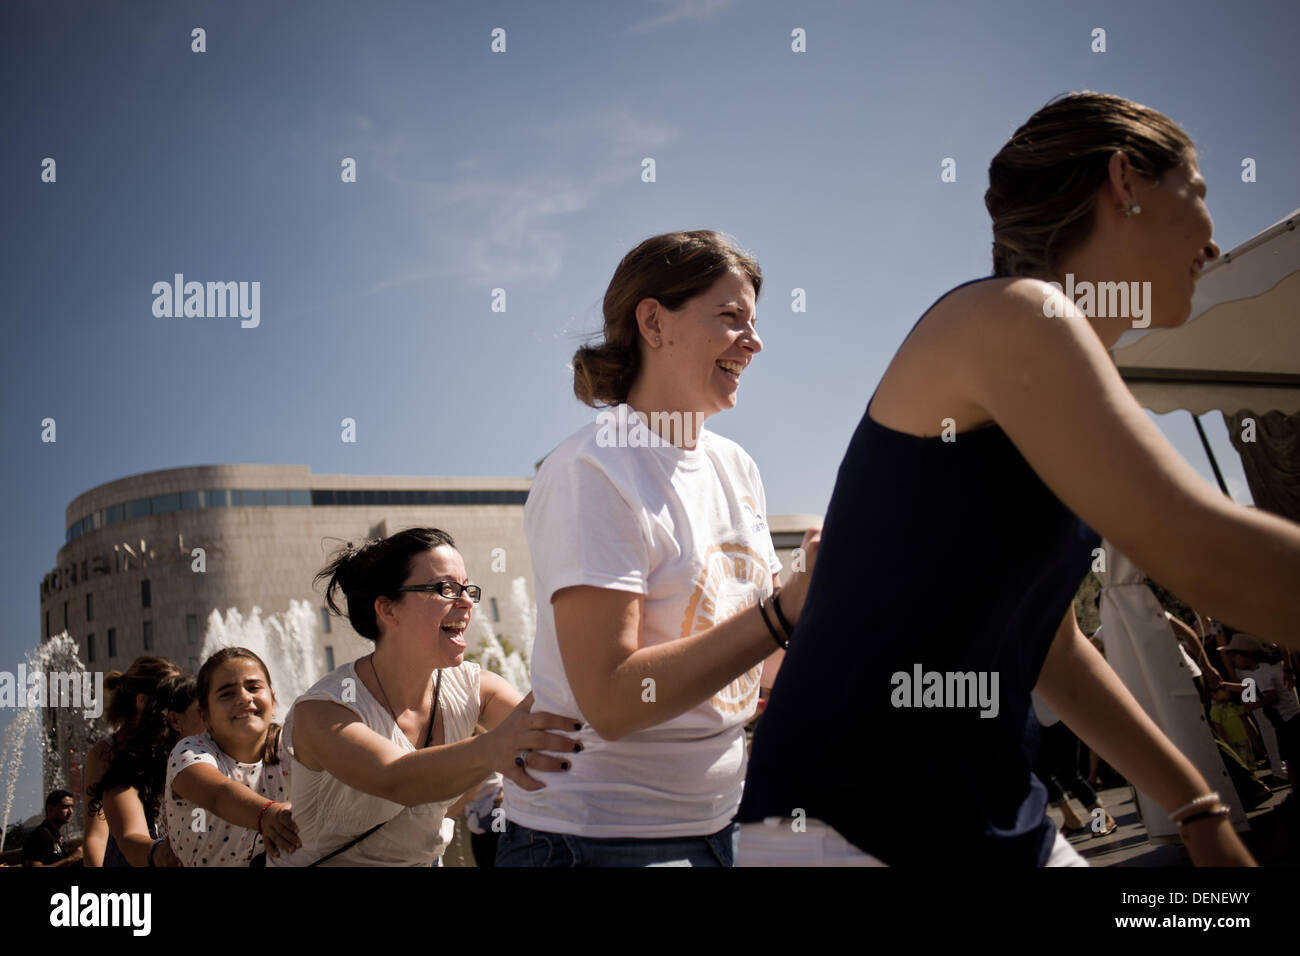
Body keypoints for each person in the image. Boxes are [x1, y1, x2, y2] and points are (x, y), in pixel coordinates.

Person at [738, 91, 1300, 867]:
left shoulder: (1055, 364)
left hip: (1001, 823)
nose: (1211, 239)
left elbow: (1053, 649)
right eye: (1198, 193)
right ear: (1125, 180)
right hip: (849, 828)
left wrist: (1198, 807)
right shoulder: (1013, 317)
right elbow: (1205, 549)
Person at [497, 231, 820, 867]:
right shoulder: (593, 471)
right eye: (731, 319)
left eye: (754, 323)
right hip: (596, 841)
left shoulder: (738, 468)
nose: (754, 343)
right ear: (653, 321)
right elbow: (614, 701)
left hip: (722, 825)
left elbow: (753, 666)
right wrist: (785, 612)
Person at [271, 528, 579, 867]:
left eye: (466, 588)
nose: (465, 602)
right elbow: (396, 779)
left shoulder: (476, 688)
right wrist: (492, 748)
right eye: (444, 589)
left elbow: (556, 729)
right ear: (388, 610)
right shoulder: (324, 710)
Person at [164, 647, 298, 866]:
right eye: (227, 693)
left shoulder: (292, 744)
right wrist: (267, 814)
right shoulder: (189, 752)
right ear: (204, 715)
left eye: (253, 687)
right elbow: (218, 795)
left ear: (273, 702)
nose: (244, 697)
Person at [85, 656, 184, 867]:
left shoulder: (181, 741)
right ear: (142, 701)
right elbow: (95, 833)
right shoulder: (106, 752)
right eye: (171, 696)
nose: (179, 704)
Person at [21, 790, 82, 867]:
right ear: (50, 809)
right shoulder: (40, 835)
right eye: (65, 807)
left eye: (72, 807)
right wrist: (71, 859)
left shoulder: (55, 835)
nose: (71, 812)